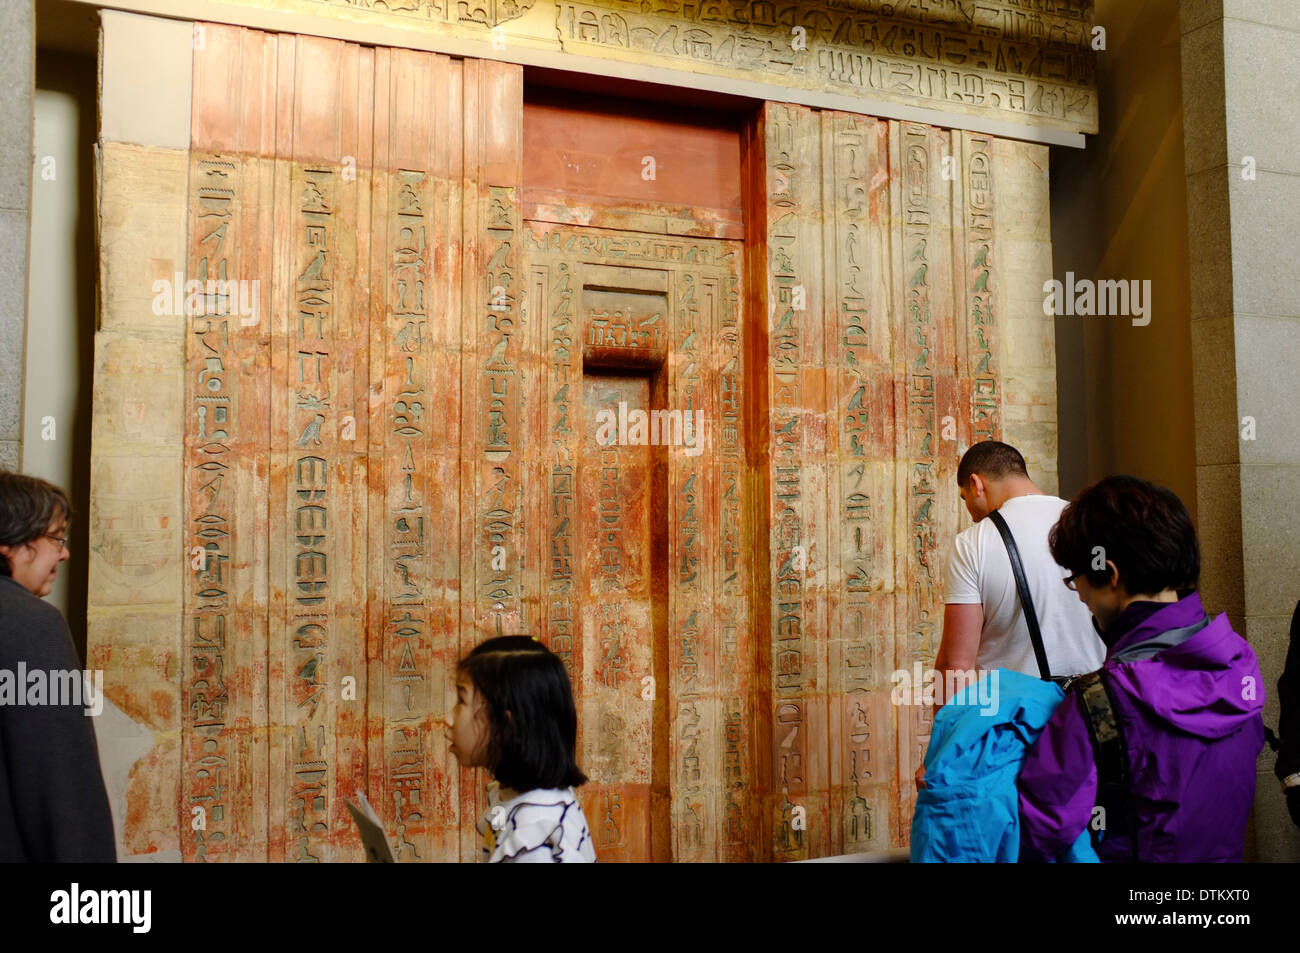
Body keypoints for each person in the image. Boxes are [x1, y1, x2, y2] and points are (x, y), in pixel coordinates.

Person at [1018, 475, 1265, 862]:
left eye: (1075, 580)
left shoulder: (1100, 701)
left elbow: (1035, 834)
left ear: (1110, 575)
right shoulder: (1240, 664)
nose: (1079, 594)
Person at [0, 471, 116, 861]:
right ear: (11, 542)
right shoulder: (31, 624)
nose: (63, 553)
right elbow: (62, 783)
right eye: (55, 537)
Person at [936, 441, 1105, 691]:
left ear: (976, 484)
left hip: (1017, 718)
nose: (971, 514)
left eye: (965, 498)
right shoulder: (1090, 523)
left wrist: (948, 728)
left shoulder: (972, 544)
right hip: (1094, 710)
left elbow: (955, 664)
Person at [445, 635, 595, 863]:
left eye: (461, 701)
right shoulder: (512, 797)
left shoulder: (533, 841)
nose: (448, 719)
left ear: (506, 724)